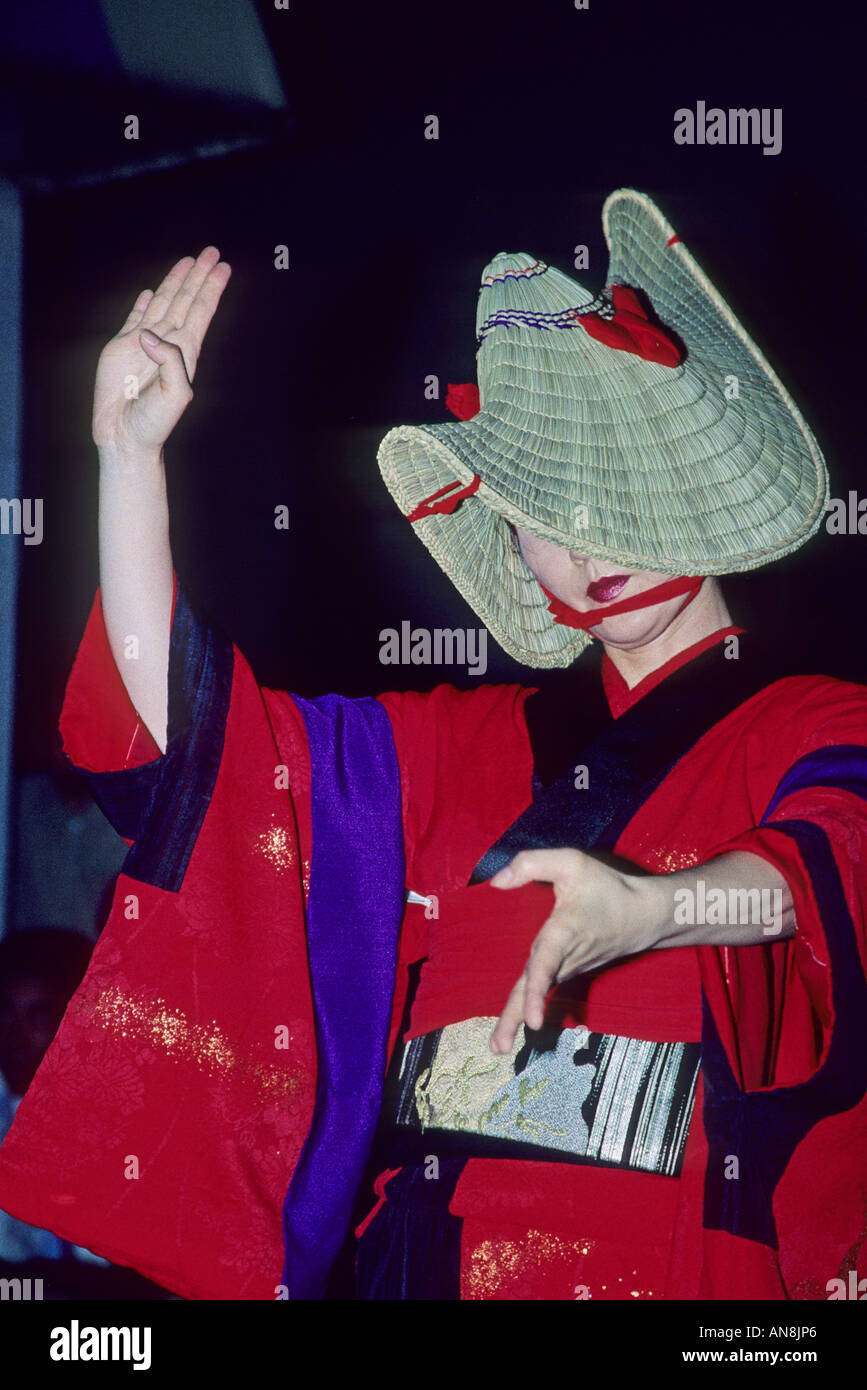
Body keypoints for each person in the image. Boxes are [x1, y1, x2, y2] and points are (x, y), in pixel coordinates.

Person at [0, 188, 864, 1301]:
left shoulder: (818, 720)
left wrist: (660, 905)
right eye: (538, 510)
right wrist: (127, 463)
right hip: (428, 1260)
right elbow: (193, 748)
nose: (581, 542)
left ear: (688, 482)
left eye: (611, 490)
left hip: (674, 1262)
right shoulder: (456, 740)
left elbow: (823, 869)